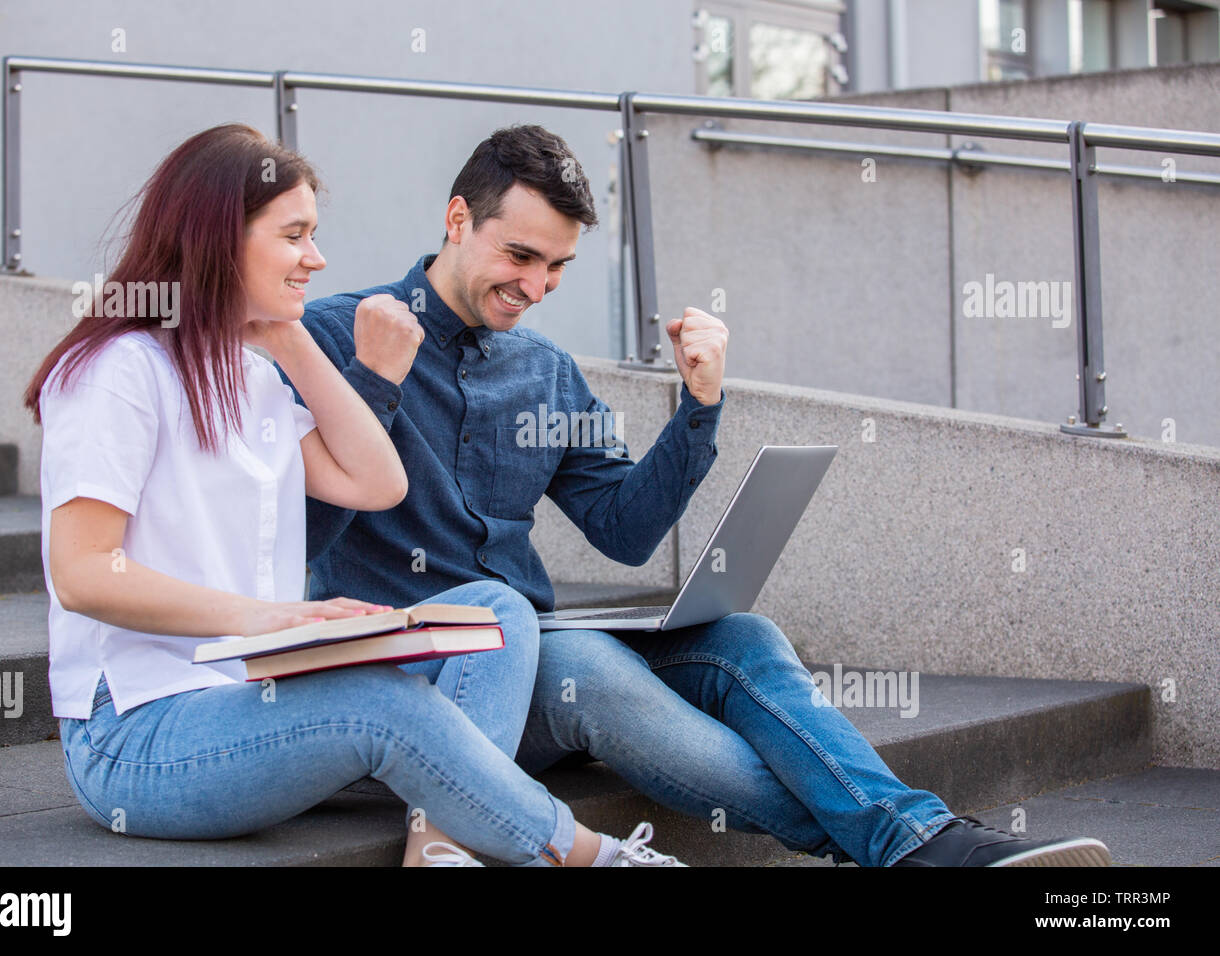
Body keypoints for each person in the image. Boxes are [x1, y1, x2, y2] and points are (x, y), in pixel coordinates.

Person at [285, 124, 1113, 867]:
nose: (536, 286)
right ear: (458, 219)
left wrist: (699, 408)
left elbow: (623, 530)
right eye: (520, 257)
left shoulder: (546, 372)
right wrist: (374, 383)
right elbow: (295, 534)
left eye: (558, 266)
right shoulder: (334, 334)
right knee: (586, 665)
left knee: (741, 635)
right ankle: (916, 843)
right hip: (435, 681)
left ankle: (915, 842)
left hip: (539, 649)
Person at [22, 123, 682, 867]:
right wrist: (273, 616)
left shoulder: (251, 374)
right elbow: (82, 573)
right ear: (218, 238)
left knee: (496, 613)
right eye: (295, 235)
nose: (318, 257)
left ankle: (438, 852)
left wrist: (289, 337)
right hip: (135, 734)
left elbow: (376, 481)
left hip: (246, 695)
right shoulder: (118, 371)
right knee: (381, 701)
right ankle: (595, 856)